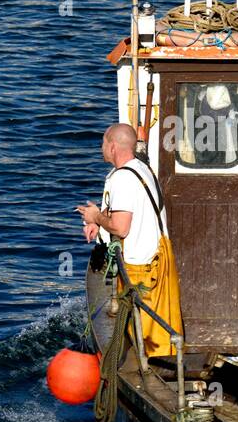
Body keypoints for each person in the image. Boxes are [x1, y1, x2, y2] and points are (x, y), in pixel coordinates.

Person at [77, 123, 183, 358]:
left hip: (141, 268)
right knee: (158, 324)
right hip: (158, 257)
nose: (101, 148)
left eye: (104, 143)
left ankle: (152, 370)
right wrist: (99, 223)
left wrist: (95, 216)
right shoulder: (141, 168)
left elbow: (121, 228)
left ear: (113, 146)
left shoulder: (123, 179)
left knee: (147, 330)